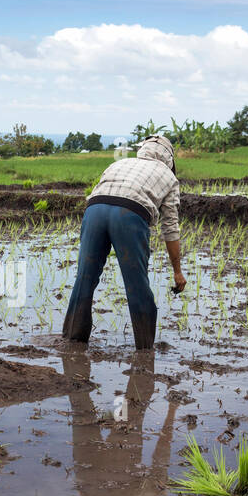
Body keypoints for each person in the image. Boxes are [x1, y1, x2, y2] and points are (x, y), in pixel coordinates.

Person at [61, 134, 186, 350]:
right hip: (129, 216)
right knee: (137, 284)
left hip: (94, 211)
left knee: (85, 278)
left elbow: (99, 193)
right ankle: (145, 349)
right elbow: (170, 227)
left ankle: (72, 342)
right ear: (169, 159)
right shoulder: (168, 176)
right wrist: (177, 271)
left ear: (142, 150)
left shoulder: (119, 163)